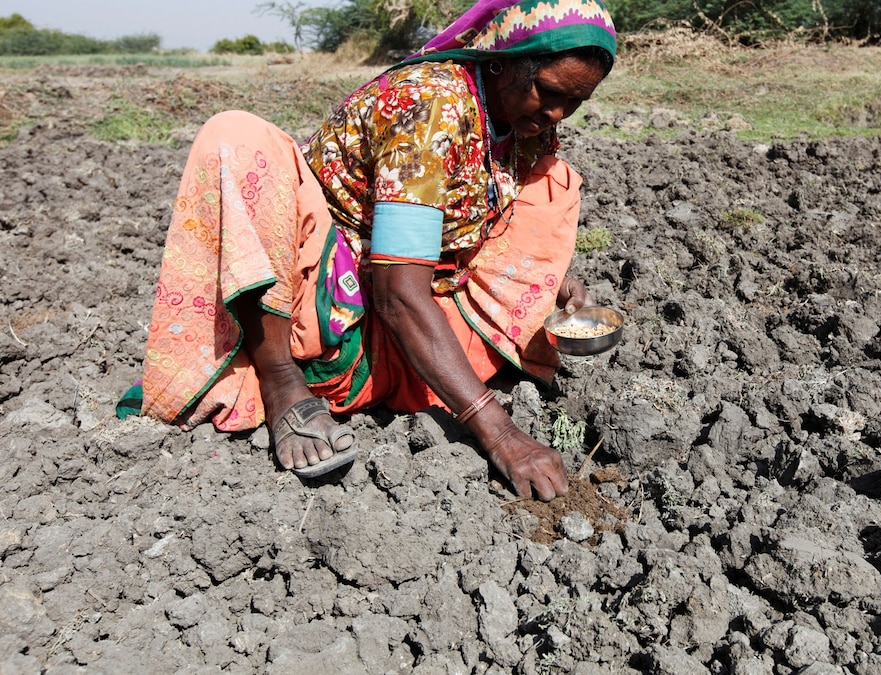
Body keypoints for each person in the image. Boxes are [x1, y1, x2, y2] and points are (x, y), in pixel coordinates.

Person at [127, 0, 617, 502]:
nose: (557, 113)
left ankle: (420, 366)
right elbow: (397, 296)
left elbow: (480, 205)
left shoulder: (522, 123)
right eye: (550, 92)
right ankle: (279, 378)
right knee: (238, 136)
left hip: (413, 295)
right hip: (322, 294)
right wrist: (500, 433)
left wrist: (542, 277)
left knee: (553, 180)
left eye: (575, 101)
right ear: (501, 60)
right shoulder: (432, 109)